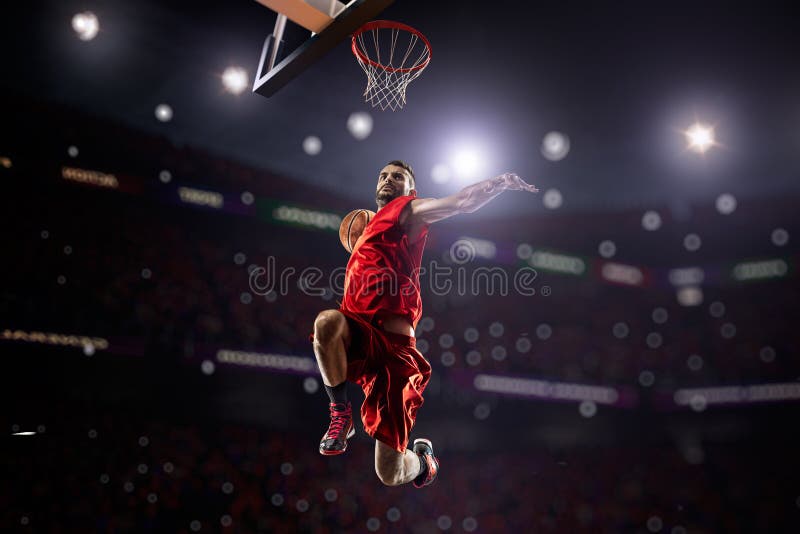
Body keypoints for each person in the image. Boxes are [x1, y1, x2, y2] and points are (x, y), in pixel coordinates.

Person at [310, 160, 538, 488]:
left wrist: (498, 182)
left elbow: (460, 202)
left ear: (410, 189)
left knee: (388, 473)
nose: (388, 180)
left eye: (398, 177)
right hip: (360, 334)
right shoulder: (367, 230)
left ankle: (423, 461)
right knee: (327, 323)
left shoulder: (409, 211)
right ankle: (340, 413)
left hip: (395, 352)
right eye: (383, 175)